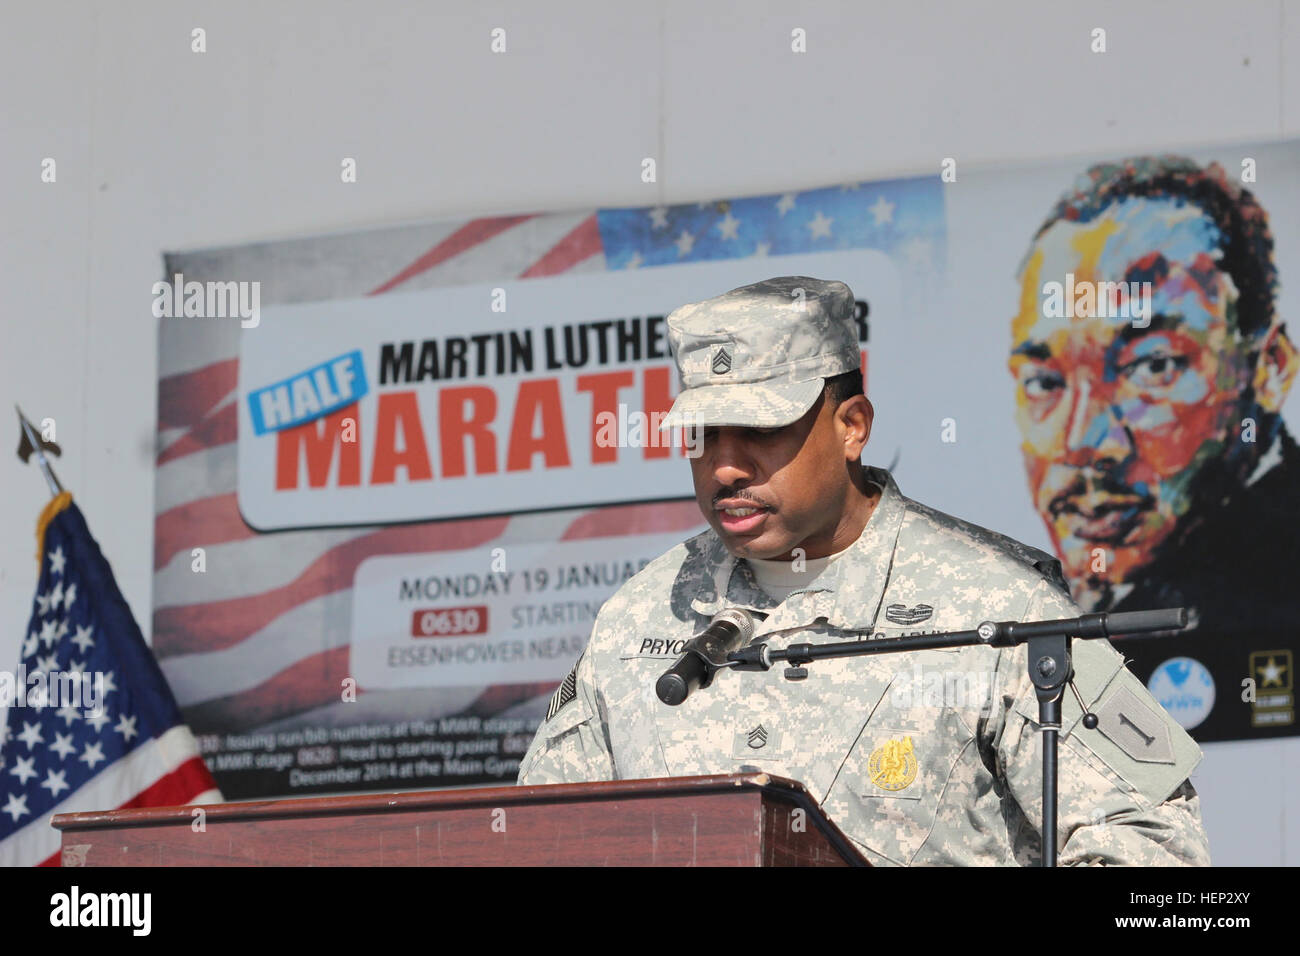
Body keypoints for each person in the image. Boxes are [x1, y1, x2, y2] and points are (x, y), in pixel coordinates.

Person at [519, 276, 1210, 866]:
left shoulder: (1003, 606)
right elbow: (534, 841)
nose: (725, 467)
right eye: (702, 436)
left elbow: (1152, 849)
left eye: (759, 431)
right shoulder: (641, 616)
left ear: (852, 424)